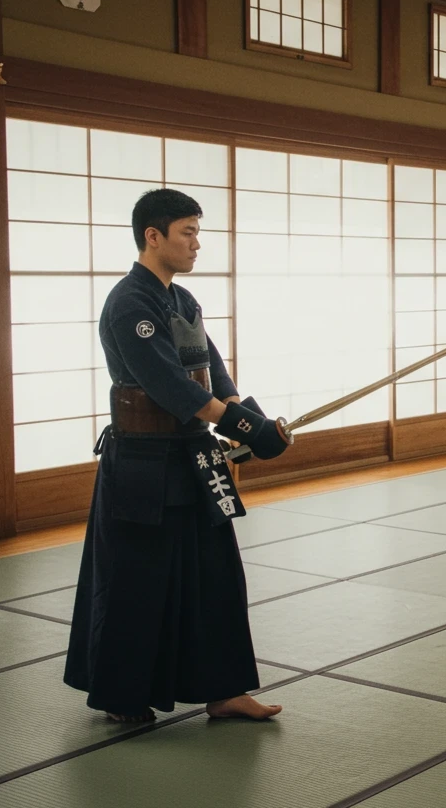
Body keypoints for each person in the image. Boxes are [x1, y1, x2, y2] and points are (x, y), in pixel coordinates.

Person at [65, 189, 291, 724]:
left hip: (193, 454)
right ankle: (123, 695)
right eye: (188, 232)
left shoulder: (183, 300)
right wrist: (243, 425)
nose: (196, 244)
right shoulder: (129, 303)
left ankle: (225, 689)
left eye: (196, 232)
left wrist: (250, 422)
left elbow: (212, 371)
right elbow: (170, 386)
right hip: (142, 463)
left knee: (217, 573)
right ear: (153, 236)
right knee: (137, 581)